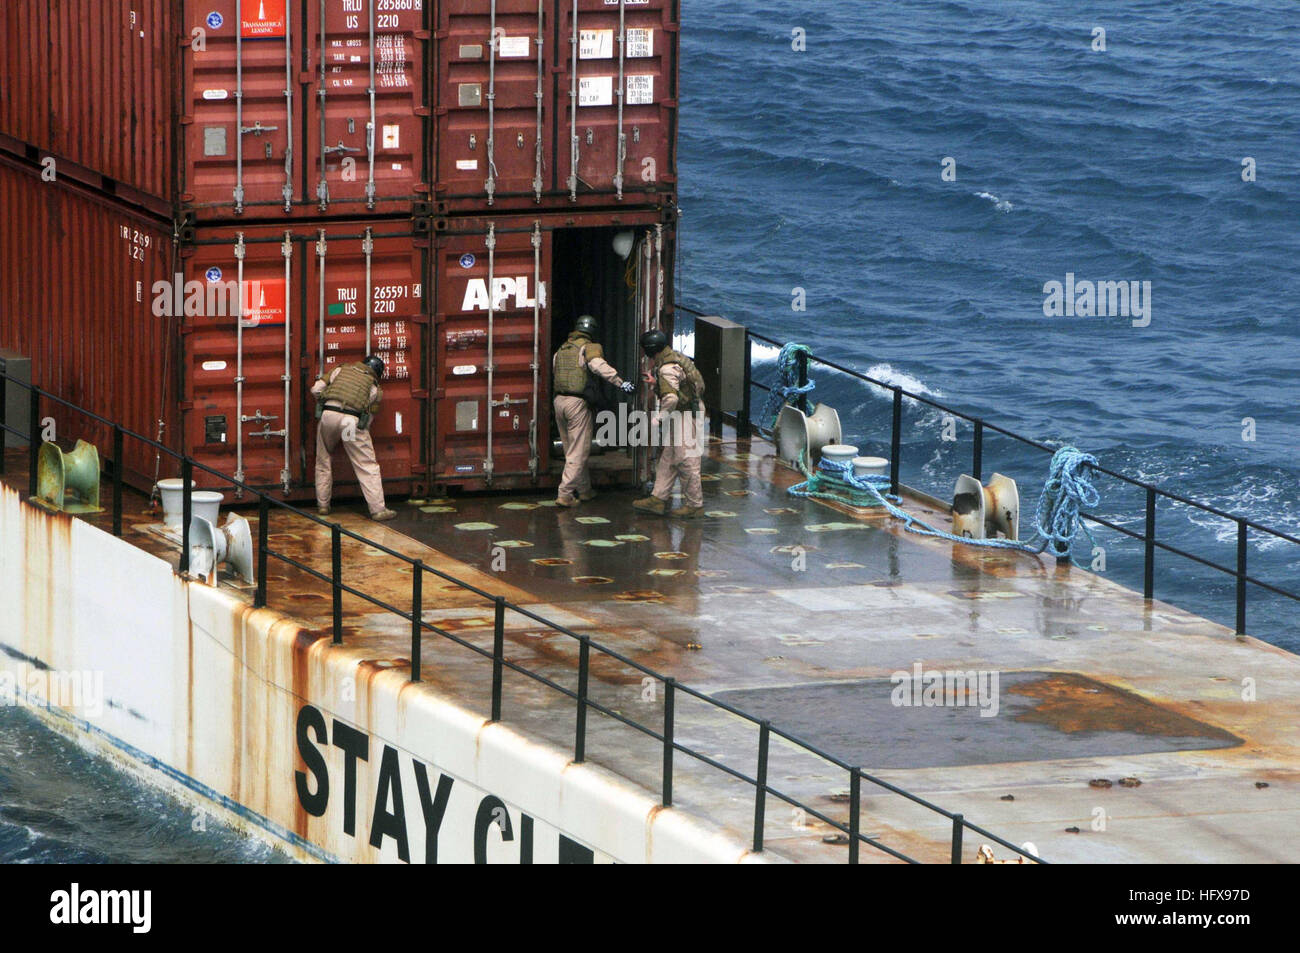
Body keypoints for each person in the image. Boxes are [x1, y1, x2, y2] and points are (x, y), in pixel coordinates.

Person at [552, 315, 635, 507]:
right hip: (576, 404)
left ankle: (584, 490)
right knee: (578, 452)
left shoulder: (562, 350)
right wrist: (622, 383)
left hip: (559, 401)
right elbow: (599, 367)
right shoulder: (588, 347)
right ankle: (565, 494)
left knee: (571, 450)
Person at [311, 355, 396, 521]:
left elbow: (316, 389)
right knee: (365, 464)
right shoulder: (374, 387)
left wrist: (325, 402)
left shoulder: (340, 370)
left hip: (328, 416)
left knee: (323, 459)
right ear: (377, 373)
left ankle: (323, 506)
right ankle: (378, 510)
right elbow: (368, 419)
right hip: (350, 421)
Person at [633, 328, 706, 518]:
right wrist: (656, 383)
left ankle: (694, 505)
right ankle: (658, 498)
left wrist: (659, 418)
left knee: (686, 459)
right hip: (684, 412)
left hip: (686, 414)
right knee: (669, 457)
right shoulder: (674, 358)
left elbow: (671, 398)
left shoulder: (666, 368)